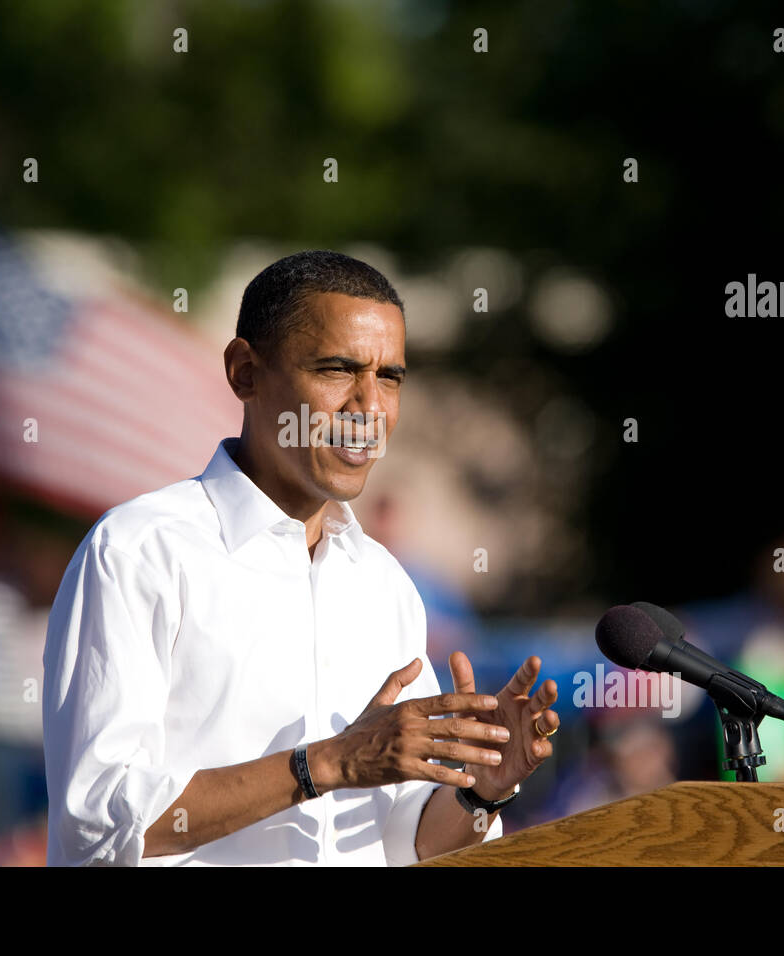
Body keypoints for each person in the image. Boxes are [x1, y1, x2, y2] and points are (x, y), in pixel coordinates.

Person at [42, 250, 560, 866]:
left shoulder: (384, 584)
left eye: (390, 377)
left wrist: (481, 792)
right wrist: (329, 761)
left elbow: (402, 843)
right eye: (338, 369)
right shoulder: (139, 551)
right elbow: (98, 820)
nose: (369, 407)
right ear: (244, 372)